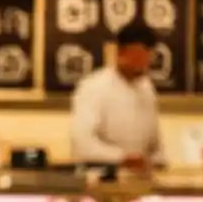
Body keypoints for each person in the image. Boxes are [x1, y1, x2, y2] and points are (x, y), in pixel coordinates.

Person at [70, 23, 165, 166]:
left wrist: (158, 160)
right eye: (138, 55)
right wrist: (122, 158)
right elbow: (82, 144)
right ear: (120, 53)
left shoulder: (147, 89)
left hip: (141, 178)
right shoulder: (94, 86)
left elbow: (155, 144)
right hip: (102, 175)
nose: (144, 62)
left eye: (148, 56)